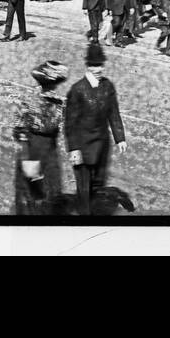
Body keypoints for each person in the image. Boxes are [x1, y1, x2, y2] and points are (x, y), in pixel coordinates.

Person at [65, 43, 127, 215]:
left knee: (98, 183)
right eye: (94, 65)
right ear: (88, 66)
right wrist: (73, 148)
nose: (98, 69)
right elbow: (70, 123)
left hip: (101, 144)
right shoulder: (77, 90)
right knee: (84, 188)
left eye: (100, 65)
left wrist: (120, 138)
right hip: (82, 146)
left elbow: (114, 113)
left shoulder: (108, 87)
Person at [12, 59, 69, 216]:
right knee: (33, 186)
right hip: (34, 145)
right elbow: (20, 129)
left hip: (47, 146)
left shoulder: (57, 102)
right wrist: (27, 156)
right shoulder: (32, 99)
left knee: (49, 185)